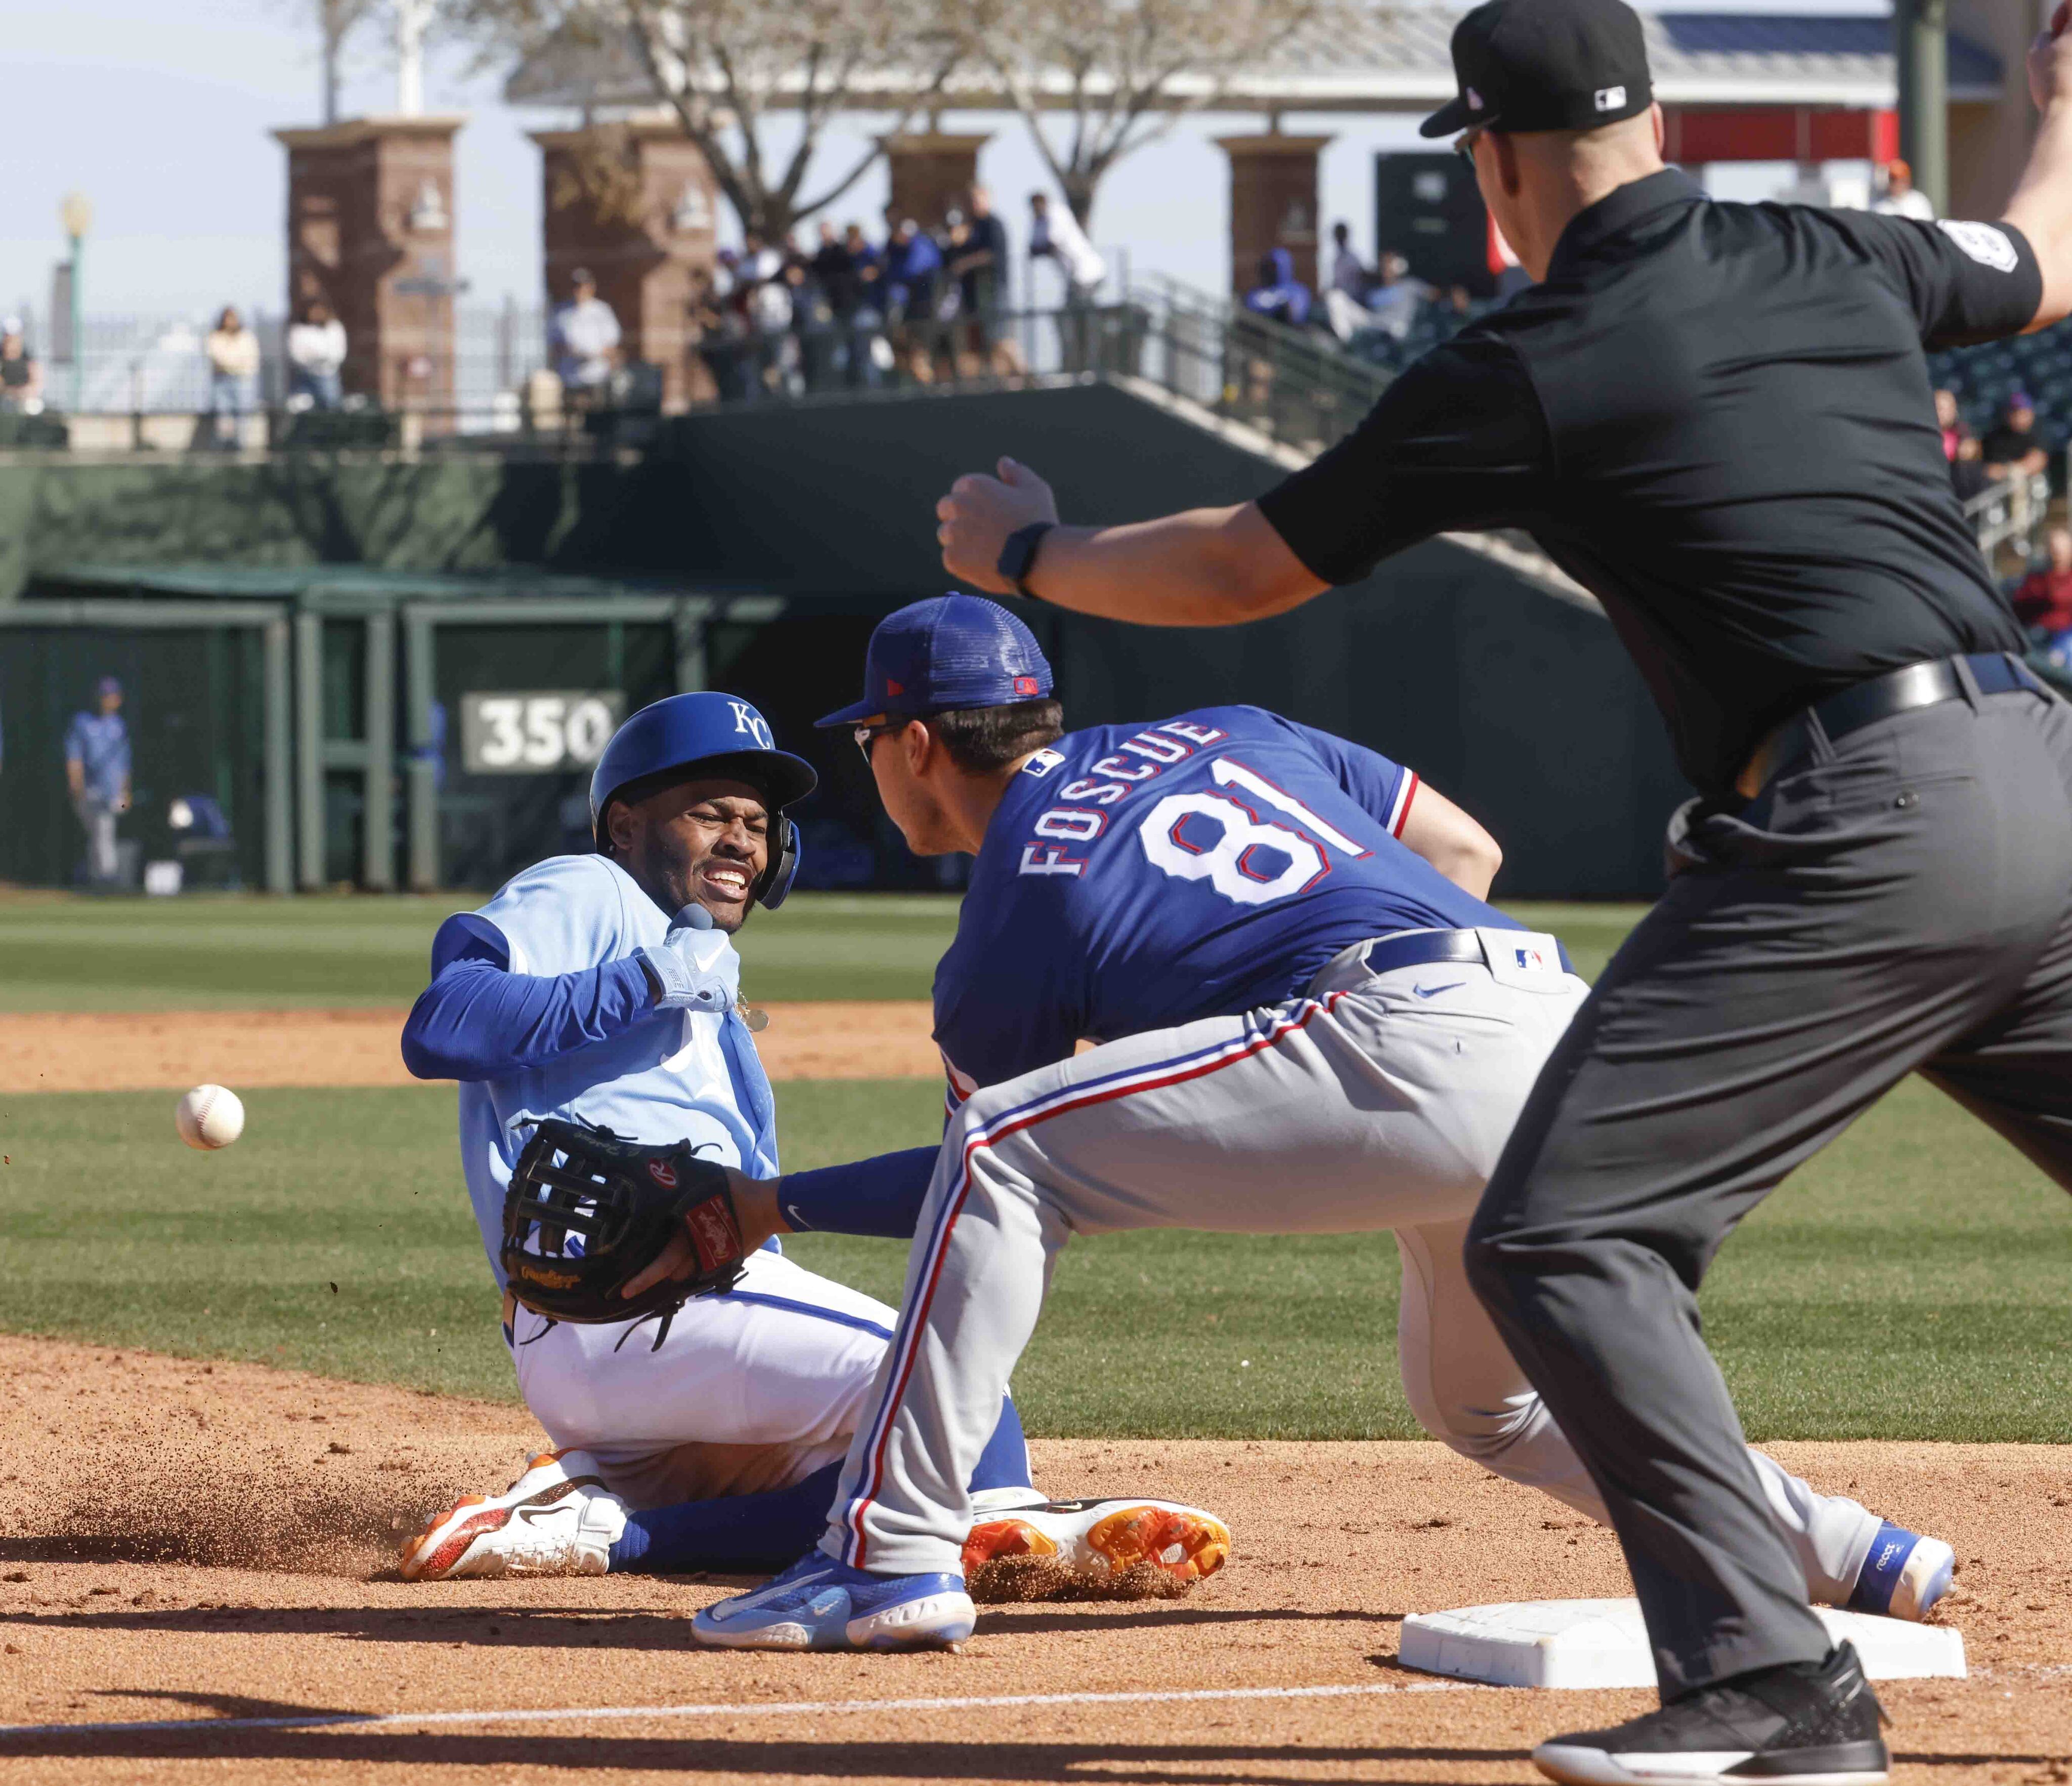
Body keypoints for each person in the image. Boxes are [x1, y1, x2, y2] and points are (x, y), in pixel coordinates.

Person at [927, 0, 2072, 1775]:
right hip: (2041, 774)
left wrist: (1032, 553)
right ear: (1657, 119)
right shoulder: (1829, 244)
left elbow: (1242, 569)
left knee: (1562, 1235)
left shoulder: (1542, 346)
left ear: (1497, 159)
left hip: (1864, 815)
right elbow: (2041, 257)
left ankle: (1770, 1688)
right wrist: (2060, 102)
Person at [682, 595, 1955, 1656]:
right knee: (1486, 1407)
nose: (871, 762)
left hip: (1396, 1037)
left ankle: (886, 1551)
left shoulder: (1012, 901)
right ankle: (1844, 1549)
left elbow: (971, 1181)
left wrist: (761, 1204)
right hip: (1562, 1020)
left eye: (868, 740)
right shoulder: (1226, 729)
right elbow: (1467, 846)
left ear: (910, 741)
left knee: (1005, 1143)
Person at [394, 691, 1227, 1590]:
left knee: (856, 1483)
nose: (741, 842)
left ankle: (610, 1523)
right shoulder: (590, 888)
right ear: (626, 826)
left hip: (630, 1347)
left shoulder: (703, 966)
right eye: (710, 813)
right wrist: (644, 979)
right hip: (641, 1307)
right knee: (948, 1380)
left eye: (758, 824)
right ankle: (999, 1509)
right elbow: (444, 1025)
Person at [65, 676, 131, 888]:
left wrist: (126, 792)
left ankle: (97, 879)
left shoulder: (119, 725)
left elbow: (124, 764)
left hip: (115, 794)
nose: (108, 700)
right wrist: (76, 785)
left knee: (103, 831)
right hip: (90, 790)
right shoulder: (82, 722)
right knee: (102, 829)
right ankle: (106, 877)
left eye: (112, 696)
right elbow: (74, 756)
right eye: (104, 696)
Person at [550, 269, 621, 405]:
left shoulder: (602, 311)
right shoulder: (561, 312)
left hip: (596, 378)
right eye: (576, 286)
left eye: (583, 286)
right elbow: (554, 345)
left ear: (591, 287)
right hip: (570, 379)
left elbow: (612, 345)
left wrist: (592, 354)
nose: (580, 290)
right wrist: (571, 352)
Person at [1027, 191, 1106, 307]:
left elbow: (1051, 243)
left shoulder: (1057, 213)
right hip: (1071, 277)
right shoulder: (1039, 220)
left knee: (1080, 308)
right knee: (1072, 309)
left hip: (1087, 273)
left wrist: (1042, 249)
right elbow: (1033, 249)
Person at [205, 307, 260, 448]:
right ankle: (223, 449)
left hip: (243, 380)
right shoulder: (216, 337)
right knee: (222, 417)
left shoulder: (246, 337)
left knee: (243, 418)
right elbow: (218, 358)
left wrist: (231, 362)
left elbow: (251, 358)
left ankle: (240, 447)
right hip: (222, 380)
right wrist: (235, 362)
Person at [284, 299, 347, 409]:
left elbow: (337, 353)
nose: (316, 314)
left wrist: (317, 356)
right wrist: (316, 357)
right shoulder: (299, 331)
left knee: (331, 409)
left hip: (329, 375)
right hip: (305, 376)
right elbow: (297, 355)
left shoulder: (334, 328)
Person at [2013, 526, 2072, 641]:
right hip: (2042, 634)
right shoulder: (2037, 579)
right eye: (2054, 549)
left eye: (2062, 549)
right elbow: (2020, 605)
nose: (2057, 553)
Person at [1242, 247, 1311, 327]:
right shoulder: (1256, 292)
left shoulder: (1297, 291)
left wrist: (1280, 308)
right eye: (1267, 267)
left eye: (1273, 267)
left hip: (1288, 333)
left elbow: (1297, 315)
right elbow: (1250, 308)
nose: (1269, 271)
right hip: (1261, 334)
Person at [1874, 157, 1937, 222]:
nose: (1899, 184)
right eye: (1894, 180)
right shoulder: (1881, 208)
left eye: (1902, 180)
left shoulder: (1919, 201)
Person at [0, 318, 40, 412]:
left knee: (34, 406)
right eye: (7, 336)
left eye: (14, 336)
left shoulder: (28, 358)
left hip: (24, 400)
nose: (10, 340)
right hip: (4, 400)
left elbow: (36, 382)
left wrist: (23, 393)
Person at [1328, 221, 1371, 299]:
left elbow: (1362, 278)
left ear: (1346, 236)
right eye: (1338, 235)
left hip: (1353, 299)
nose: (1339, 238)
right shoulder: (1337, 258)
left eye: (1341, 235)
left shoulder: (1352, 258)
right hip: (1341, 297)